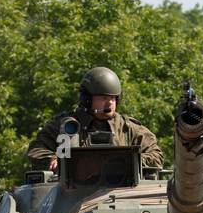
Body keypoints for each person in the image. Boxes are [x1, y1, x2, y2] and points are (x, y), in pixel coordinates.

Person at [26, 67, 163, 172]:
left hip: (119, 192)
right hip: (73, 193)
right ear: (87, 99)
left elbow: (156, 156)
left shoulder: (127, 128)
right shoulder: (67, 125)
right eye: (103, 98)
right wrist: (54, 159)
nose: (109, 103)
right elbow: (36, 150)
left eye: (113, 98)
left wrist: (129, 161)